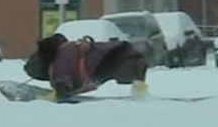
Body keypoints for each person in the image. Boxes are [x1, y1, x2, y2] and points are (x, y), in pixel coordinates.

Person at [21, 32, 150, 101]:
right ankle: (141, 92)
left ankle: (140, 94)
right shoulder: (68, 49)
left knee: (126, 70)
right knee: (135, 76)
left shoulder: (61, 62)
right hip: (130, 54)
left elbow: (62, 84)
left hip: (125, 59)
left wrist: (53, 97)